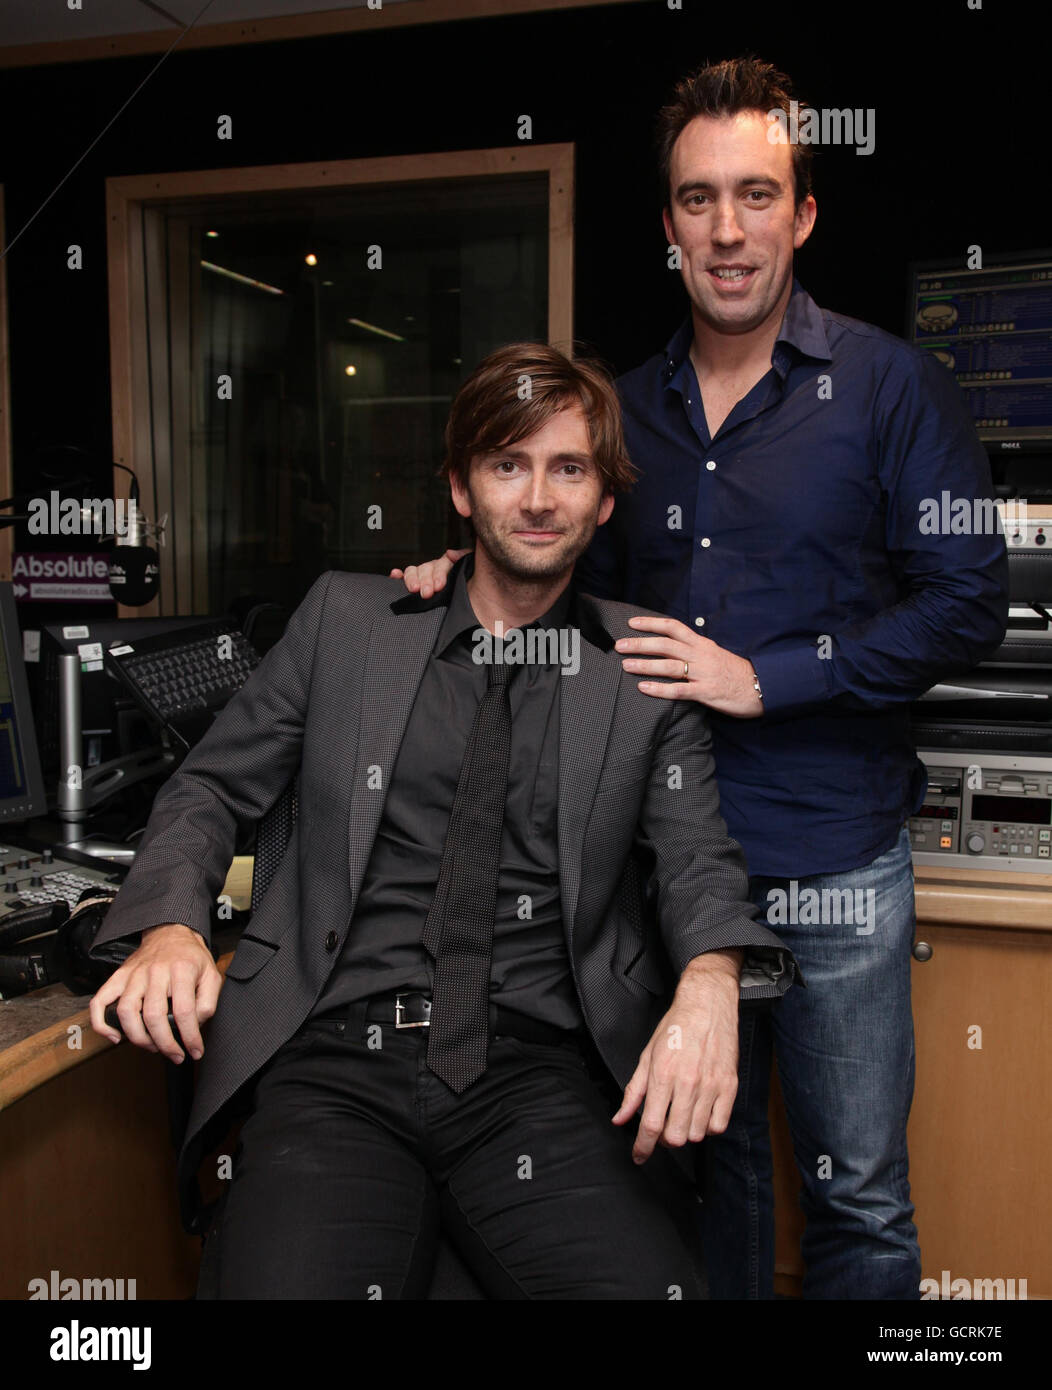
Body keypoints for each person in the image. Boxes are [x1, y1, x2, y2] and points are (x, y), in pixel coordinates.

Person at [391, 59, 1010, 1300]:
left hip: (833, 863)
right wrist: (470, 566)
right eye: (694, 200)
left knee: (856, 1196)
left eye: (754, 195)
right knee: (698, 1179)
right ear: (666, 223)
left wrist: (763, 677)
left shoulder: (891, 388)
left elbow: (967, 604)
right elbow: (573, 577)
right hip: (661, 873)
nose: (725, 232)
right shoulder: (625, 407)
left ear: (804, 212)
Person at [88, 342, 795, 1300]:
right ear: (462, 489)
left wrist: (711, 982)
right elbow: (210, 788)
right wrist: (172, 924)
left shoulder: (642, 672)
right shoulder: (346, 622)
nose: (539, 498)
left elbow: (698, 863)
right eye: (508, 465)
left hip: (538, 1077)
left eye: (569, 468)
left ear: (605, 500)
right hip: (336, 1063)